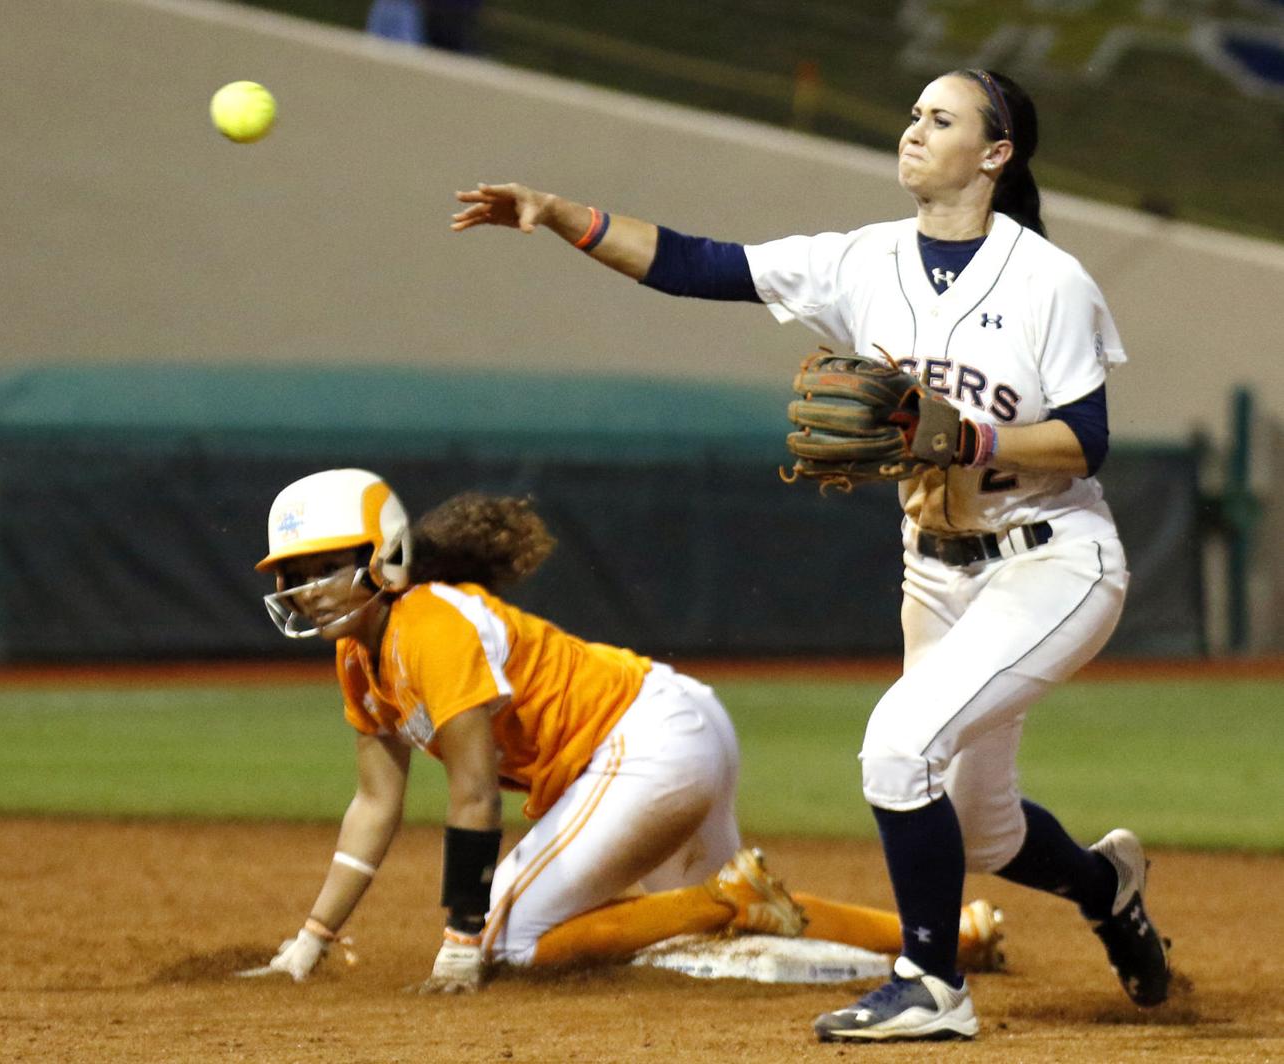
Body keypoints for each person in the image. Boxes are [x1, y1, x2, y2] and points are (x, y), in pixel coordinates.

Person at [450, 68, 1170, 1039]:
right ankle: (1106, 887)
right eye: (912, 113)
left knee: (898, 748)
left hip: (1049, 562)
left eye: (941, 119)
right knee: (981, 829)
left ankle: (931, 983)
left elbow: (1085, 441)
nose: (913, 129)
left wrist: (966, 437)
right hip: (935, 571)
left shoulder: (1048, 280)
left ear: (994, 154)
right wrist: (556, 213)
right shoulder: (862, 261)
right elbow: (697, 264)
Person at [242, 468, 1005, 991]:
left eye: (323, 566)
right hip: (667, 729)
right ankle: (949, 936)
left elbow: (475, 797)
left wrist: (461, 940)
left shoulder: (428, 627)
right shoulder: (359, 657)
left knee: (508, 937)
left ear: (386, 556)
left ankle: (725, 899)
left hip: (644, 747)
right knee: (702, 937)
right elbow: (374, 804)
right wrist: (311, 939)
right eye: (292, 575)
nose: (305, 590)